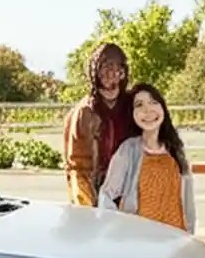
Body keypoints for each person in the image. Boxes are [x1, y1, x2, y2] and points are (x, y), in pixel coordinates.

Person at [97, 83, 196, 233]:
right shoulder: (128, 150)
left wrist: (189, 236)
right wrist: (119, 229)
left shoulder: (176, 151)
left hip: (175, 239)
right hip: (141, 240)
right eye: (139, 105)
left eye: (153, 102)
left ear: (163, 108)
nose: (147, 110)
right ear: (132, 114)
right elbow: (107, 194)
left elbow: (188, 203)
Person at [62, 43, 134, 207]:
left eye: (118, 70)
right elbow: (78, 169)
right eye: (106, 69)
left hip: (127, 195)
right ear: (95, 73)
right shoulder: (84, 113)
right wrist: (89, 210)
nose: (112, 76)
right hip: (97, 196)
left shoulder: (132, 108)